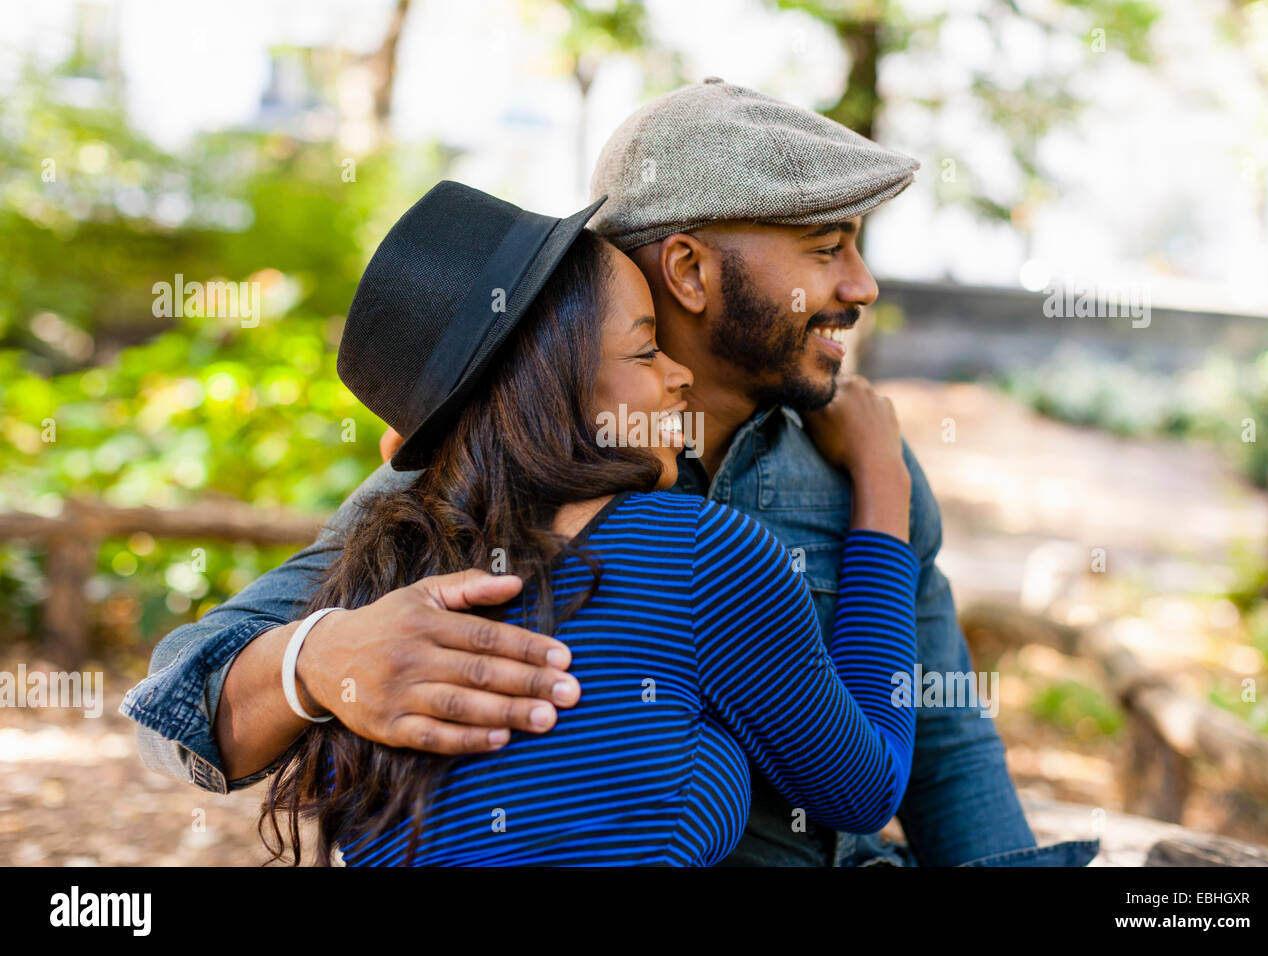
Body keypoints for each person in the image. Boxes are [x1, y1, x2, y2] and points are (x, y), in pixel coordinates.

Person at [123, 78, 1099, 867]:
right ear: (688, 271)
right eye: (825, 245)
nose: (862, 284)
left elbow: (940, 740)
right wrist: (319, 660)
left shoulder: (859, 461)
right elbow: (177, 708)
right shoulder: (462, 493)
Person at [260, 180, 920, 866]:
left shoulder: (375, 591)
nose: (679, 377)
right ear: (555, 390)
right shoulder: (701, 557)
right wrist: (883, 485)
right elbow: (865, 790)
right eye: (645, 351)